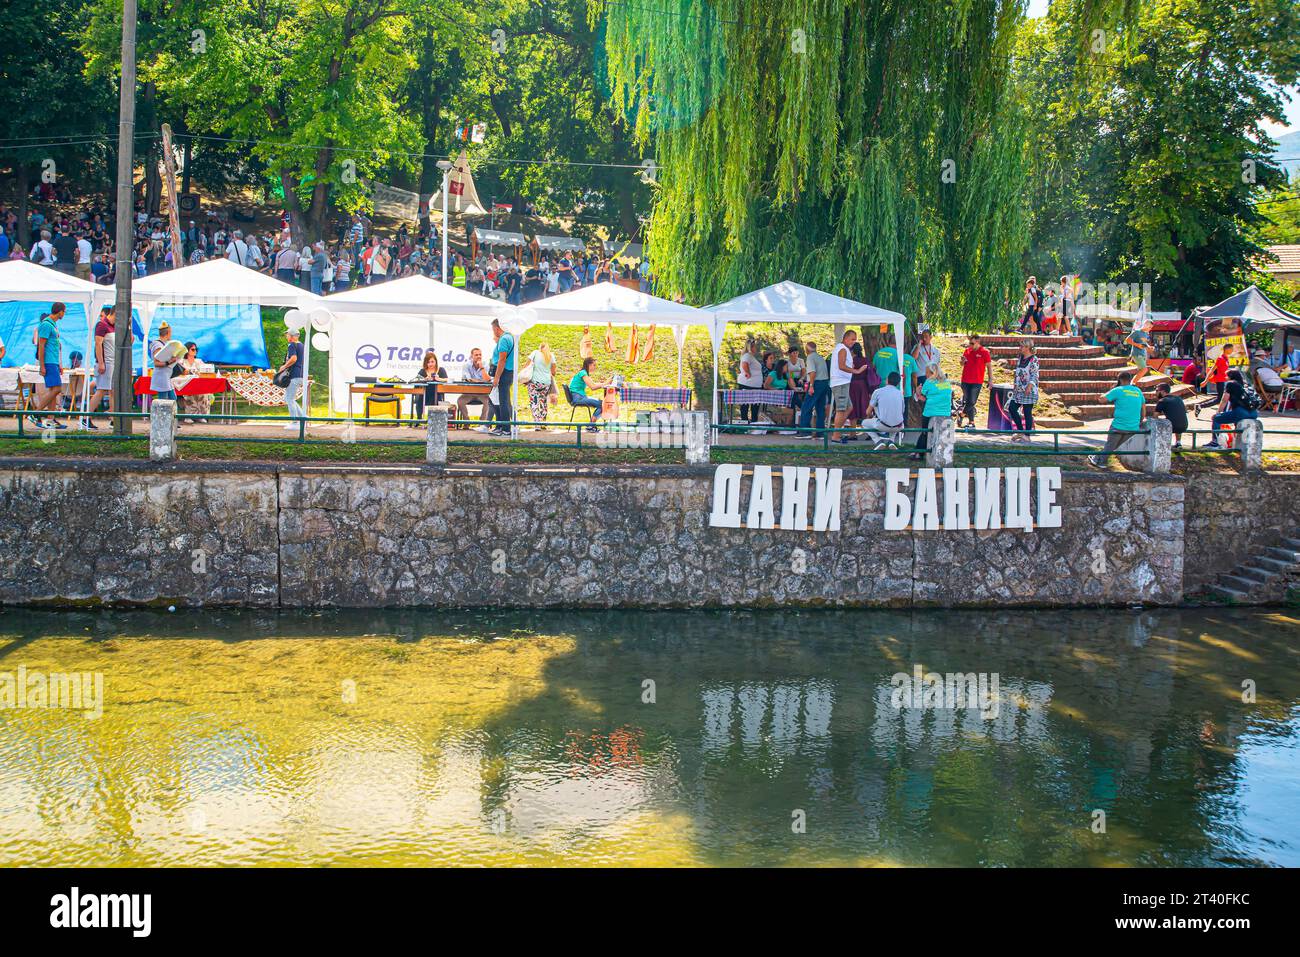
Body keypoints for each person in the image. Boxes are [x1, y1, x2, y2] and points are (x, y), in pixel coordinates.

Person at [1088, 372, 1146, 468]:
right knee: (1112, 446)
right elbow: (1143, 408)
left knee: (1110, 445)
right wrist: (1140, 420)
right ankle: (1097, 458)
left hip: (1118, 425)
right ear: (1130, 379)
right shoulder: (1138, 391)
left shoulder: (1118, 390)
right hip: (1133, 427)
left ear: (1120, 380)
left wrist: (1111, 390)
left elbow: (1101, 399)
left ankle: (1101, 462)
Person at [31, 303, 66, 429]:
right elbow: (41, 346)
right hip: (49, 361)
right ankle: (36, 413)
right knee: (57, 389)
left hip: (54, 361)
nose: (64, 314)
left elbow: (54, 346)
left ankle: (51, 419)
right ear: (60, 312)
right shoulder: (46, 324)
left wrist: (59, 364)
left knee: (53, 390)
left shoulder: (53, 325)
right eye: (64, 312)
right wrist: (42, 365)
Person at [1205, 369, 1261, 450]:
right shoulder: (1246, 385)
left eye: (1226, 376)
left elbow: (1224, 400)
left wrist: (1218, 412)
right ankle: (1237, 444)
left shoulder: (1230, 384)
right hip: (1254, 413)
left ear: (1230, 376)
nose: (1225, 378)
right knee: (1236, 421)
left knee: (1216, 419)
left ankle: (1215, 442)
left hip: (1241, 412)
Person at [830, 329, 868, 443]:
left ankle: (837, 431)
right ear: (846, 338)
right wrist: (856, 371)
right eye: (852, 339)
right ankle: (835, 435)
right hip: (840, 383)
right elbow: (841, 365)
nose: (853, 342)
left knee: (849, 408)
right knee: (841, 410)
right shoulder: (842, 349)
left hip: (843, 382)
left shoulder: (842, 348)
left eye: (855, 340)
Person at [83, 305, 117, 428]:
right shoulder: (102, 325)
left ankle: (114, 418)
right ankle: (86, 416)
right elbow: (98, 344)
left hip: (113, 362)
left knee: (113, 391)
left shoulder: (114, 327)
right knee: (101, 390)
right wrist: (101, 362)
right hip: (106, 362)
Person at [911, 363, 954, 460]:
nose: (925, 374)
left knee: (925, 432)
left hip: (931, 411)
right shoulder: (946, 382)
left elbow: (922, 398)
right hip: (945, 412)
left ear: (932, 373)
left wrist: (917, 391)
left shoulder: (929, 382)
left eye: (926, 372)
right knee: (941, 433)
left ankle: (918, 453)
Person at [862, 371, 906, 449]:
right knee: (896, 419)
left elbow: (868, 412)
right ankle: (891, 441)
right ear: (898, 383)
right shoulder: (900, 394)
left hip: (883, 425)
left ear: (887, 380)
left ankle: (878, 441)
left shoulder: (878, 392)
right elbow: (902, 412)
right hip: (899, 426)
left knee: (864, 423)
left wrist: (872, 416)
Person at [959, 333, 993, 429]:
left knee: (972, 401)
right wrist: (962, 361)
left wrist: (990, 380)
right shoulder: (967, 351)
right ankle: (971, 422)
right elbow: (962, 364)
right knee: (968, 401)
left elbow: (989, 367)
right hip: (965, 380)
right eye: (969, 343)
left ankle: (961, 414)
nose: (970, 345)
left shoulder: (984, 352)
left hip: (977, 381)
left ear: (978, 342)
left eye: (972, 343)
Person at [1008, 339, 1039, 440]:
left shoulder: (1033, 359)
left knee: (1027, 411)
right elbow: (1017, 373)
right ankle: (1020, 431)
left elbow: (1034, 374)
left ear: (1027, 348)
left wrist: (1029, 387)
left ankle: (1027, 435)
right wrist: (1015, 384)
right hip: (1019, 389)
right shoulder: (1020, 358)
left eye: (1021, 346)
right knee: (1012, 408)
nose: (1019, 348)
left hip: (1028, 389)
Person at [489, 318, 515, 436]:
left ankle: (505, 428)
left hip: (503, 373)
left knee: (502, 401)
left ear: (496, 328)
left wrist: (497, 377)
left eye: (493, 329)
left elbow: (502, 359)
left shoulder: (504, 339)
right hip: (508, 372)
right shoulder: (510, 337)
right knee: (501, 400)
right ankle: (500, 425)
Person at [798, 341, 830, 437]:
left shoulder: (810, 357)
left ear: (807, 349)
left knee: (806, 407)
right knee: (820, 408)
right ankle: (820, 433)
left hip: (816, 383)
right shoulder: (820, 357)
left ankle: (805, 432)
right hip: (824, 383)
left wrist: (811, 386)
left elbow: (812, 372)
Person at [568, 357, 607, 431]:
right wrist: (605, 384)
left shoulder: (583, 372)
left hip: (578, 397)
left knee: (602, 404)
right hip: (578, 398)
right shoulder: (583, 373)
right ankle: (591, 425)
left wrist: (603, 383)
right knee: (603, 404)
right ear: (588, 365)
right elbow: (592, 387)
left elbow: (593, 384)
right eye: (594, 365)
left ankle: (591, 425)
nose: (595, 367)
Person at [178, 342, 214, 420]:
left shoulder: (199, 361)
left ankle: (201, 416)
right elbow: (180, 373)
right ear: (186, 350)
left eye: (196, 349)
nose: (195, 351)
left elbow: (205, 372)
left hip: (199, 386)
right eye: (193, 349)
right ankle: (188, 416)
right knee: (189, 395)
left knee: (204, 394)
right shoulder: (181, 361)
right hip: (185, 385)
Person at [149, 321, 183, 403]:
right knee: (164, 402)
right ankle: (163, 416)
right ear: (167, 333)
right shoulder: (158, 345)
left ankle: (171, 415)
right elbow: (156, 363)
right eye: (170, 332)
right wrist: (169, 362)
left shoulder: (164, 344)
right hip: (161, 377)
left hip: (167, 377)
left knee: (172, 400)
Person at [460, 347, 493, 428]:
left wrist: (481, 368)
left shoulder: (485, 365)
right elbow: (468, 379)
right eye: (476, 355)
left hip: (482, 393)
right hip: (469, 393)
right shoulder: (466, 365)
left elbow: (488, 379)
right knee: (460, 401)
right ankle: (466, 422)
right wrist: (479, 381)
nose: (478, 356)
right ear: (471, 356)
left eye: (480, 355)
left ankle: (482, 423)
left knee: (488, 402)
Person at [524, 343, 557, 426]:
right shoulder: (551, 356)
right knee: (543, 401)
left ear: (540, 348)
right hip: (546, 383)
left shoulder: (535, 353)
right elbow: (553, 372)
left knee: (534, 401)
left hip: (534, 382)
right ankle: (543, 422)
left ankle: (537, 422)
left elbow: (526, 365)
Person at [411, 350, 448, 423]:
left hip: (436, 393)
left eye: (432, 362)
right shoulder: (422, 371)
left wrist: (438, 379)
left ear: (436, 362)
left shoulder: (441, 370)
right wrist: (425, 379)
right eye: (428, 362)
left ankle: (436, 421)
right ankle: (419, 420)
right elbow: (416, 380)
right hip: (425, 393)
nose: (430, 364)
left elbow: (446, 379)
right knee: (419, 399)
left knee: (438, 399)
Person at [279, 328, 306, 427]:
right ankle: (303, 417)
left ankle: (295, 422)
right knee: (289, 398)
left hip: (294, 375)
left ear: (292, 336)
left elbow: (293, 358)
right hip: (300, 375)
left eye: (288, 335)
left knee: (289, 399)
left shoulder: (291, 345)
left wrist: (284, 366)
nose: (286, 336)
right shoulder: (302, 345)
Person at [736, 338, 765, 426]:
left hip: (754, 385)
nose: (756, 348)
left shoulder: (750, 356)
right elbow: (745, 364)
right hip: (747, 384)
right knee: (745, 404)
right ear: (751, 347)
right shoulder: (747, 355)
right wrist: (748, 373)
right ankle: (745, 423)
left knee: (754, 404)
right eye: (754, 346)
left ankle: (753, 422)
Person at [1153, 381, 1188, 452]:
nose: (1155, 393)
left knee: (1157, 422)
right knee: (1176, 419)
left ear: (1162, 391)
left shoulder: (1162, 400)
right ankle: (1178, 443)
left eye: (1157, 391)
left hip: (1172, 427)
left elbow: (1155, 416)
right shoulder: (1178, 398)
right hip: (1184, 425)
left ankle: (1162, 444)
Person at [1124, 319, 1152, 384]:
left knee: (1142, 370)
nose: (1150, 329)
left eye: (1151, 327)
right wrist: (1137, 345)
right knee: (1144, 370)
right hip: (1137, 354)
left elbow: (1144, 343)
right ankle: (1132, 384)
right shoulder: (1137, 332)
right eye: (1149, 327)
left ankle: (1132, 383)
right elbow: (1127, 340)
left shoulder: (1146, 334)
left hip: (1143, 354)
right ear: (1145, 325)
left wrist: (1149, 347)